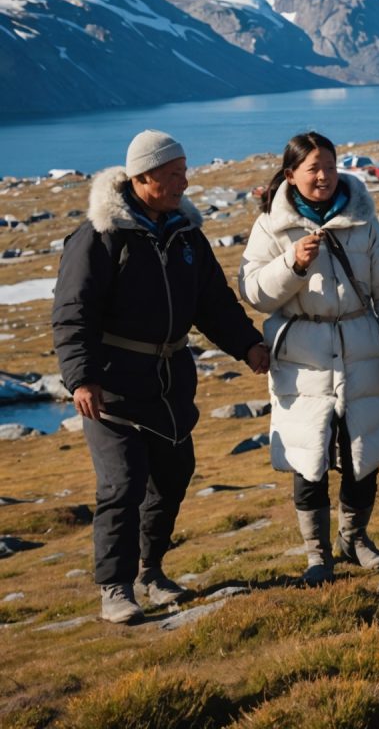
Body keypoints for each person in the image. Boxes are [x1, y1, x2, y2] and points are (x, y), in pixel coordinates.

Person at [52, 130, 270, 625]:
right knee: (122, 485)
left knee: (172, 479)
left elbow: (212, 303)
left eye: (184, 172)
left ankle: (151, 570)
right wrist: (80, 378)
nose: (183, 182)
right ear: (142, 177)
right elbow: (73, 313)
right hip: (113, 387)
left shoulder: (185, 233)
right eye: (174, 175)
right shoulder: (99, 237)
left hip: (170, 387)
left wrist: (248, 346)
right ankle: (115, 587)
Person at [239, 132, 379, 584]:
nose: (323, 176)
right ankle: (316, 553)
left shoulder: (362, 220)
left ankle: (356, 538)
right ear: (291, 176)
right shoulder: (271, 226)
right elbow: (255, 292)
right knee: (309, 459)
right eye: (312, 169)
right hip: (304, 356)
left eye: (330, 166)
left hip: (360, 347)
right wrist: (293, 265)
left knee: (363, 452)